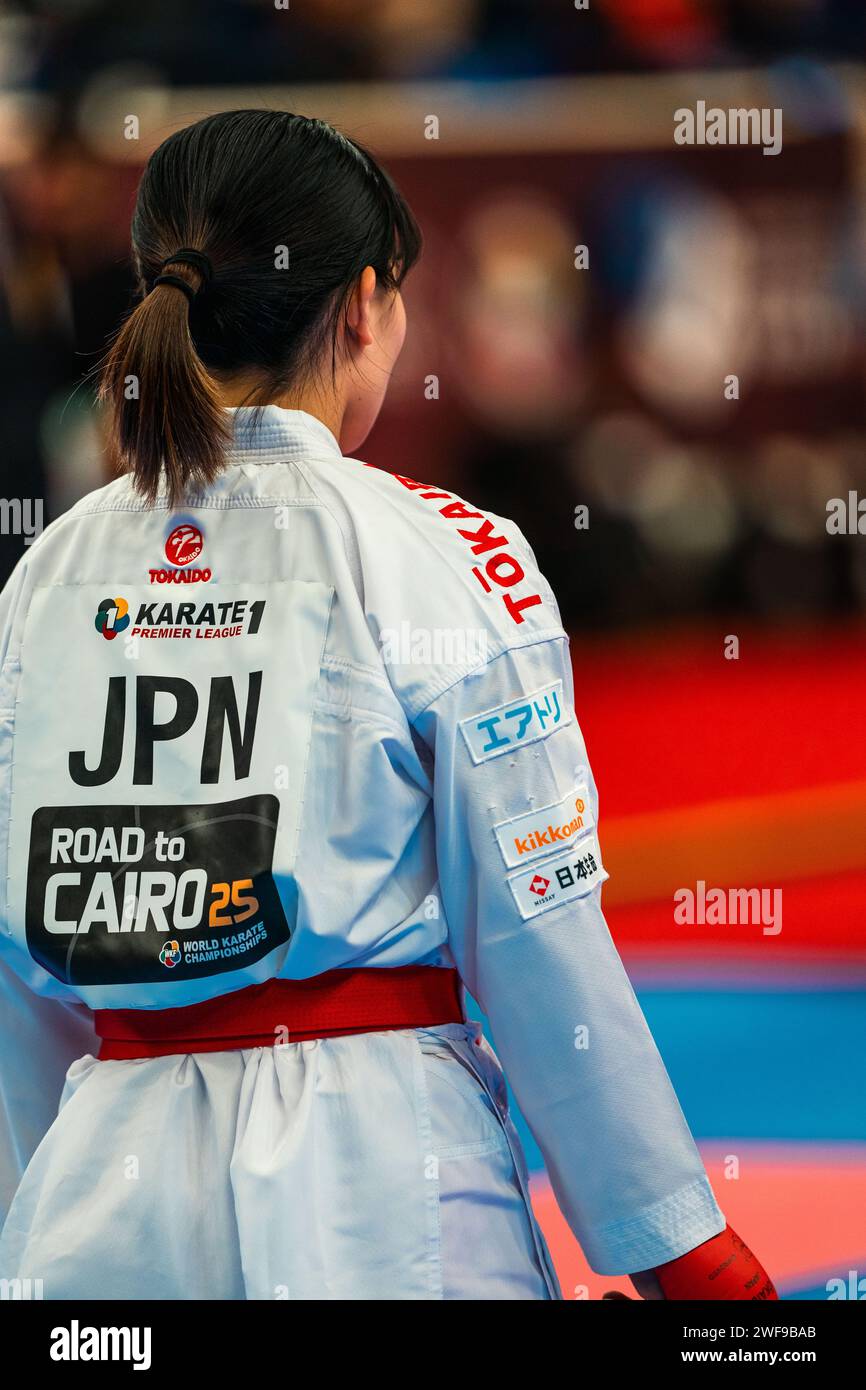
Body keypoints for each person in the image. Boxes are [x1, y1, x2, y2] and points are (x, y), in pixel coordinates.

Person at [0, 109, 775, 1301]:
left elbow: (19, 974)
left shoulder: (44, 578)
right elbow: (535, 935)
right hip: (376, 1190)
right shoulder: (448, 549)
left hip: (101, 1192)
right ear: (364, 306)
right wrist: (680, 1243)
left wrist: (36, 1202)